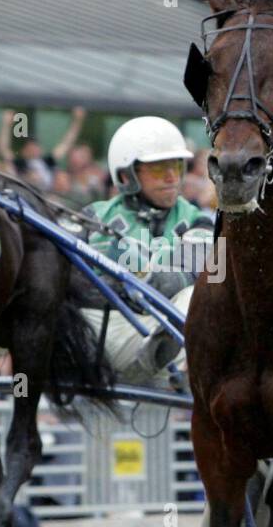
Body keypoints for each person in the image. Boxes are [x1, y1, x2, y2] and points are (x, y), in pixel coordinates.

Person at [82, 116, 213, 381]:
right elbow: (68, 282)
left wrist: (137, 277)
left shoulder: (198, 219)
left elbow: (191, 273)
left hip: (167, 330)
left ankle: (159, 357)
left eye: (177, 167)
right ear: (126, 175)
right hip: (106, 334)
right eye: (158, 169)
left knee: (196, 294)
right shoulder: (92, 217)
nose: (171, 178)